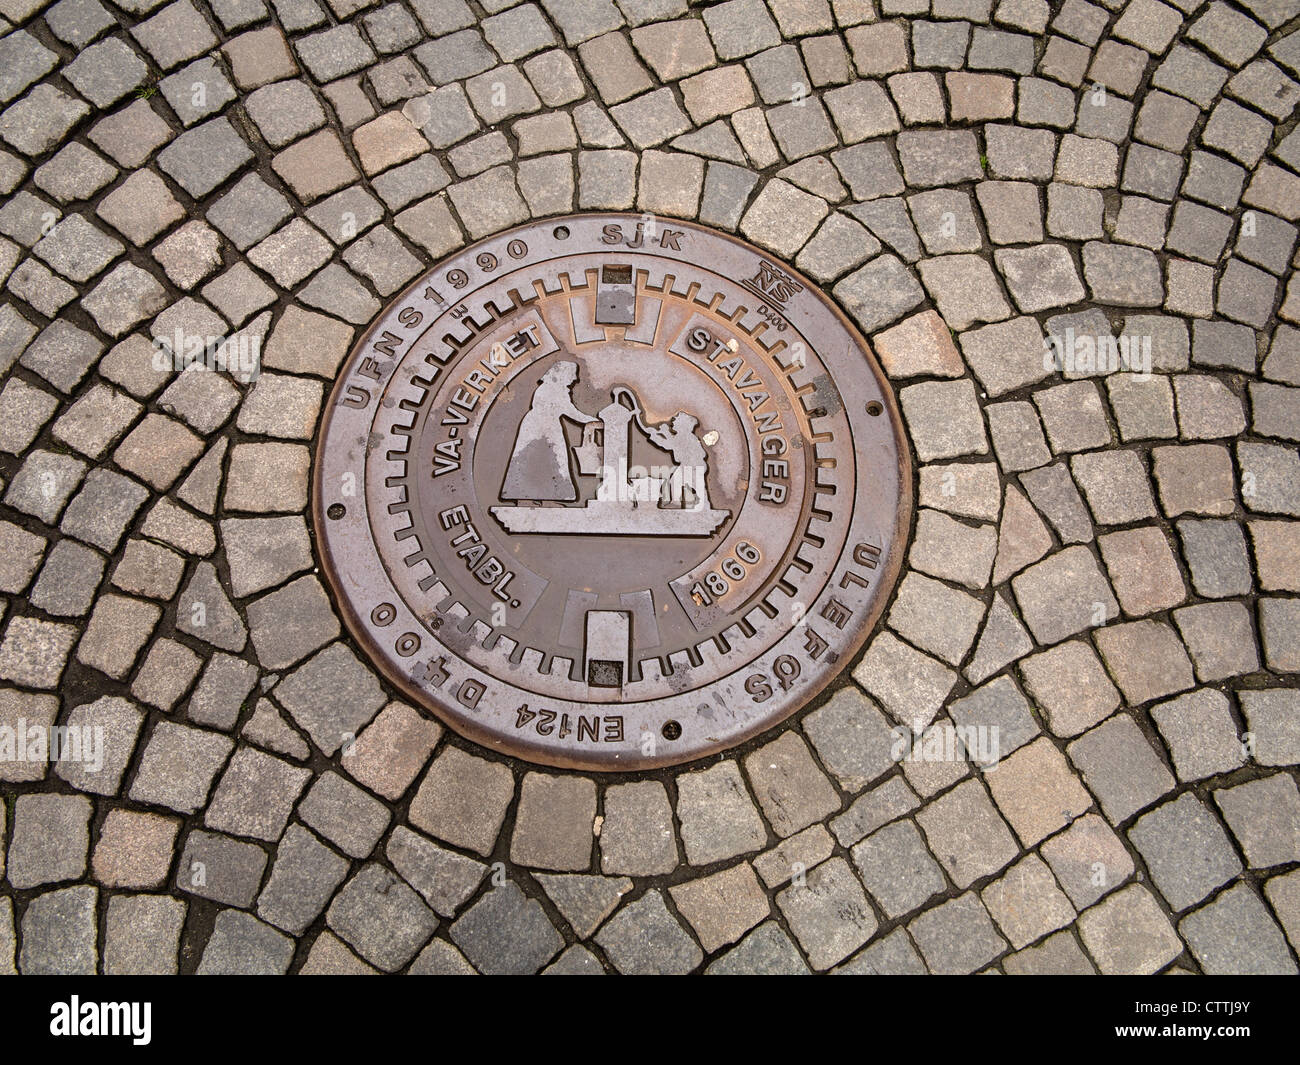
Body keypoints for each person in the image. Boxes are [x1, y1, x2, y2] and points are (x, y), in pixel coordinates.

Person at [500, 361, 597, 501]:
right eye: (571, 374)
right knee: (547, 459)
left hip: (541, 427)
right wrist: (593, 420)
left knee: (539, 459)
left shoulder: (552, 388)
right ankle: (538, 496)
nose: (575, 379)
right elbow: (571, 413)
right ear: (562, 374)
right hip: (542, 430)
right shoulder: (553, 390)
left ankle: (541, 497)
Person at [646, 412, 712, 510]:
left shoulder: (685, 436)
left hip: (692, 465)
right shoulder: (684, 436)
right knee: (692, 485)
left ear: (683, 425)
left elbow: (668, 444)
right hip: (690, 465)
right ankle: (703, 504)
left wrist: (657, 435)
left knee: (678, 483)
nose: (673, 422)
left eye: (676, 421)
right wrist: (660, 433)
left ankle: (677, 503)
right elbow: (671, 442)